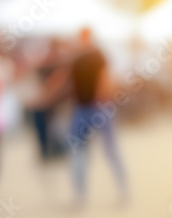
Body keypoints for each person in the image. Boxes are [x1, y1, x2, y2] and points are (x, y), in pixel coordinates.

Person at [49, 28, 127, 205]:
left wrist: (103, 98)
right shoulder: (77, 58)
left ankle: (121, 190)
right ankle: (80, 195)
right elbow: (64, 79)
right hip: (84, 108)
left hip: (97, 107)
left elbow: (105, 78)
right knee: (82, 150)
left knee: (107, 150)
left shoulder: (97, 55)